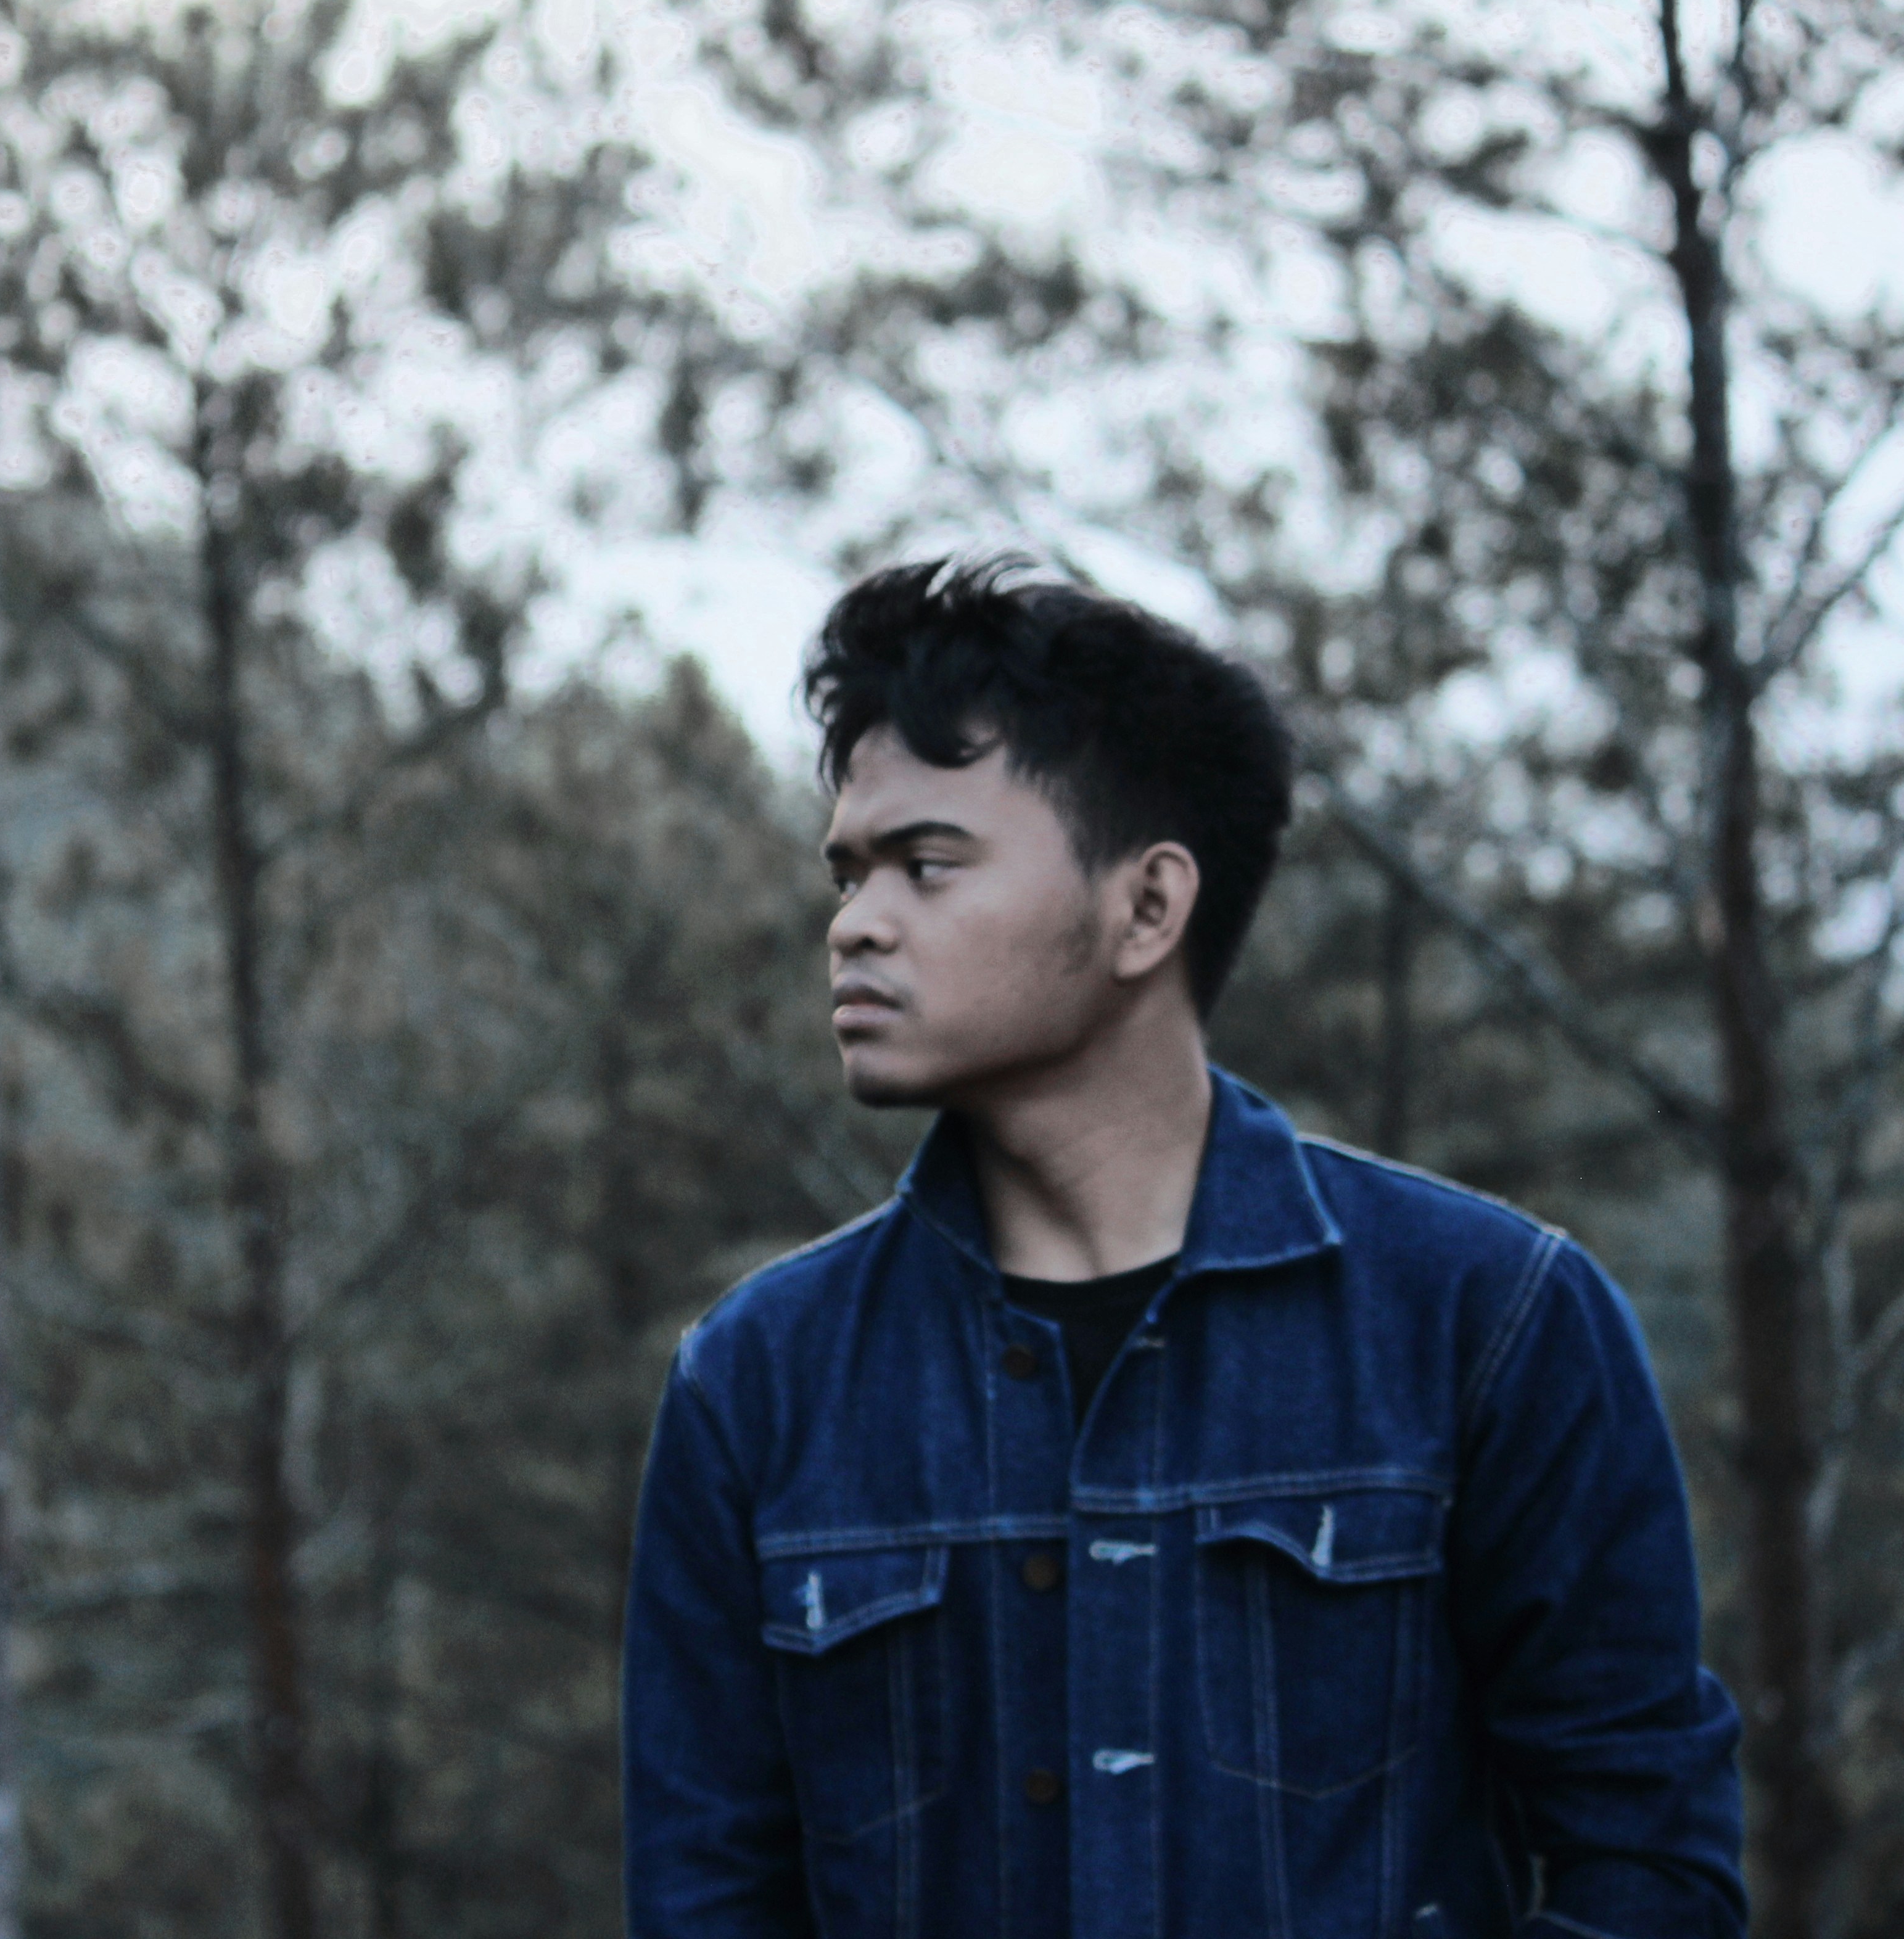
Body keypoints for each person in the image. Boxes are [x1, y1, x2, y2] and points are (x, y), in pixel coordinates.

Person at [620, 558, 1745, 1938]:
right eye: (849, 873)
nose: (855, 922)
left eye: (927, 866)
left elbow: (1653, 1868)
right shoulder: (756, 1385)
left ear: (1148, 908)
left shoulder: (1489, 1322)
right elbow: (705, 1902)